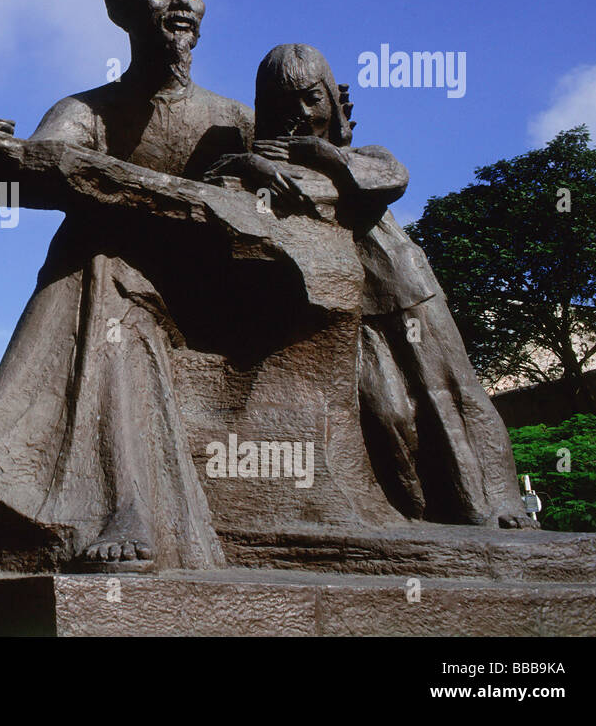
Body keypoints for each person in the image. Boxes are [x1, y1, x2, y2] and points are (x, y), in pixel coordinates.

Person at [0, 0, 264, 571]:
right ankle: (120, 506)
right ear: (120, 8)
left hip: (210, 299)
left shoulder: (232, 121)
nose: (182, 4)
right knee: (99, 260)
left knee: (101, 259)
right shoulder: (87, 110)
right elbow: (30, 176)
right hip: (114, 289)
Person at [220, 44, 532, 528]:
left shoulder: (362, 156)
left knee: (448, 392)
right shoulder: (268, 165)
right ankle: (423, 515)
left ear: (332, 100)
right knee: (389, 412)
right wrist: (252, 165)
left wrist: (319, 152)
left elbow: (389, 178)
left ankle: (497, 506)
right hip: (345, 306)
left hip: (407, 290)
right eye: (286, 106)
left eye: (311, 99)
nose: (301, 115)